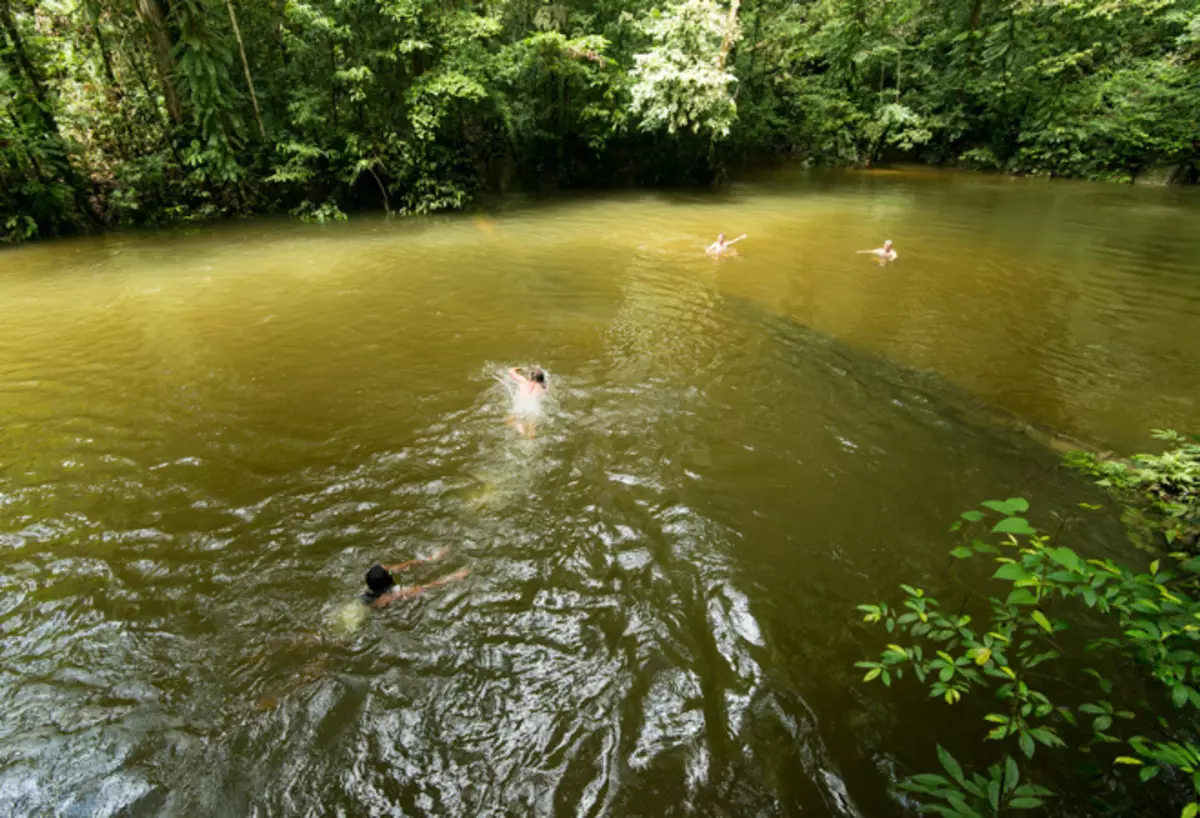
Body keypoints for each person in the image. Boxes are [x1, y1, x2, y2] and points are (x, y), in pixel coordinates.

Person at [361, 547, 469, 608]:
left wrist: (432, 559)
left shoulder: (371, 582)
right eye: (386, 569)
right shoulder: (390, 596)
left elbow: (397, 568)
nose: (388, 567)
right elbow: (423, 587)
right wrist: (451, 578)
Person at [507, 366, 547, 437]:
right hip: (534, 410)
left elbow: (510, 371)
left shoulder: (523, 381)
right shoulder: (542, 388)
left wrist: (519, 368)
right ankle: (530, 441)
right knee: (532, 428)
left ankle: (521, 433)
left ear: (530, 377)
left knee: (510, 422)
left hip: (520, 408)